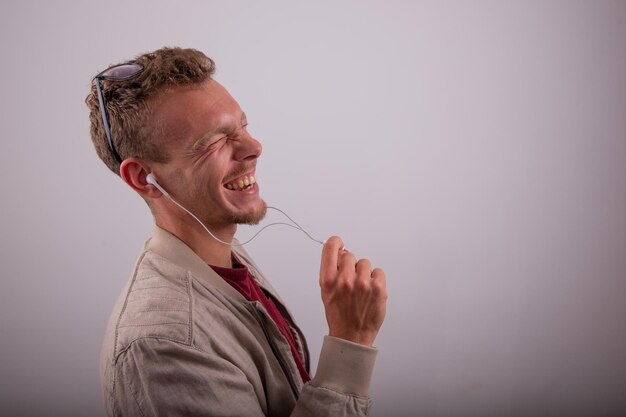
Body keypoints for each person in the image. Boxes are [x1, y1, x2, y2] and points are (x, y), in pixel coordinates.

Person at [86, 47, 387, 417]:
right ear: (143, 179)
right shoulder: (166, 344)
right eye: (213, 141)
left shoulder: (222, 251)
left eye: (242, 126)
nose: (254, 147)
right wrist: (349, 343)